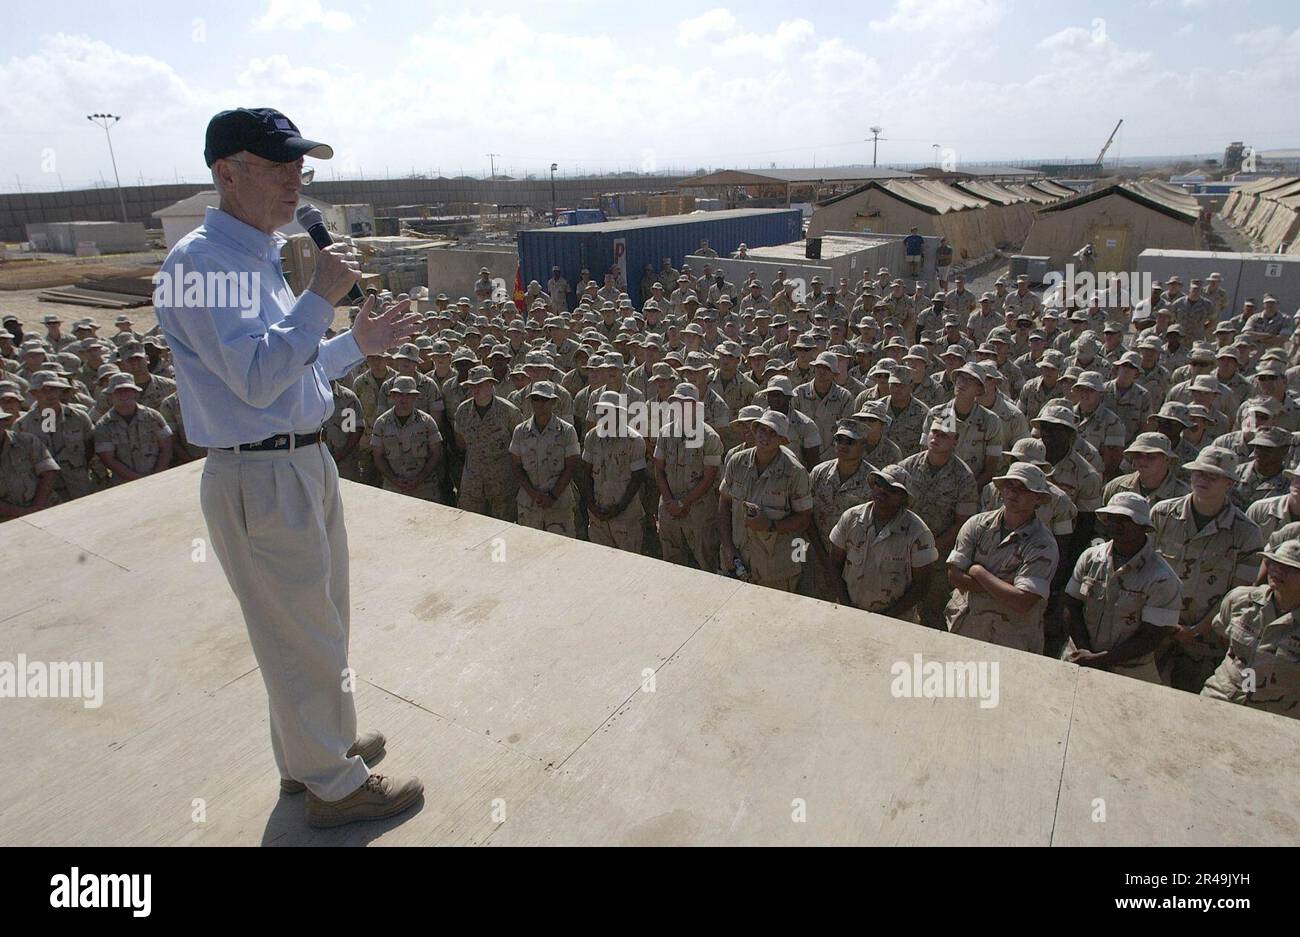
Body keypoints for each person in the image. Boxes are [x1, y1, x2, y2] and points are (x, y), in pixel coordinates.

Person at [155, 108, 425, 828]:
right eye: (277, 167)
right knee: (301, 632)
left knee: (317, 625)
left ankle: (318, 750)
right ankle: (332, 785)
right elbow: (252, 377)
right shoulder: (199, 267)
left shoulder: (255, 256)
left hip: (297, 461)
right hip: (259, 475)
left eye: (298, 167)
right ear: (226, 173)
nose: (293, 181)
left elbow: (288, 370)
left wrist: (353, 344)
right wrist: (318, 298)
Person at [1150, 447, 1264, 692]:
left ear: (1230, 483)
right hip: (1154, 629)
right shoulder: (1162, 514)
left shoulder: (1246, 533)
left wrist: (1195, 631)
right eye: (1198, 473)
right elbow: (1144, 569)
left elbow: (1239, 595)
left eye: (1212, 476)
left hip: (1203, 643)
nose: (1202, 480)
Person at [1062, 492, 1183, 682]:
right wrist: (1084, 650)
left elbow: (1152, 636)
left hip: (1129, 673)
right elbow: (1072, 604)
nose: (1115, 524)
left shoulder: (1162, 578)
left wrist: (1101, 659)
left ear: (1143, 527)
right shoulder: (1091, 557)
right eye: (1111, 518)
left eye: (1125, 520)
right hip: (1079, 660)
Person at [945, 462, 1060, 654]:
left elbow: (1022, 602)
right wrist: (1004, 584)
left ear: (1037, 498)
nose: (1013, 493)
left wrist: (978, 571)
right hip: (966, 627)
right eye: (1009, 486)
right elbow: (954, 577)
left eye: (1023, 489)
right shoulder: (977, 525)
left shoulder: (1043, 543)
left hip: (1010, 639)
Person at [1200, 539, 1300, 719]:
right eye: (1274, 563)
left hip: (1277, 716)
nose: (1278, 570)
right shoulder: (1241, 599)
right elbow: (1223, 635)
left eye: (1291, 568)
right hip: (1220, 698)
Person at [718, 410, 814, 591]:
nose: (765, 437)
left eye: (773, 433)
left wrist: (770, 525)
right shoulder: (736, 461)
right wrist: (728, 548)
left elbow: (804, 518)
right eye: (762, 430)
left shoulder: (795, 472)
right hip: (738, 559)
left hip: (776, 568)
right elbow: (724, 503)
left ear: (782, 440)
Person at [829, 463, 937, 618]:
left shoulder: (918, 532)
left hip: (896, 620)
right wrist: (846, 607)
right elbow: (834, 564)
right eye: (880, 484)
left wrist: (887, 618)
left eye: (892, 490)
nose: (883, 491)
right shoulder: (850, 518)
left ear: (904, 498)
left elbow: (922, 585)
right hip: (849, 613)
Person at [509, 379, 582, 537]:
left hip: (559, 505)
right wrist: (534, 494)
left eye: (545, 399)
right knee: (529, 550)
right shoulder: (520, 431)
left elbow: (571, 466)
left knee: (560, 552)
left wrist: (552, 496)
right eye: (536, 399)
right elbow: (516, 466)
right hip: (529, 504)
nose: (540, 403)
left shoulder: (567, 431)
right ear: (530, 401)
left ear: (554, 402)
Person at [580, 390, 646, 554]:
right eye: (601, 411)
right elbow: (586, 473)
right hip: (598, 514)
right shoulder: (591, 437)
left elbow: (637, 478)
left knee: (629, 566)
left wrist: (618, 509)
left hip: (626, 517)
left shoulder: (634, 440)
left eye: (608, 410)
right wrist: (592, 506)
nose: (604, 415)